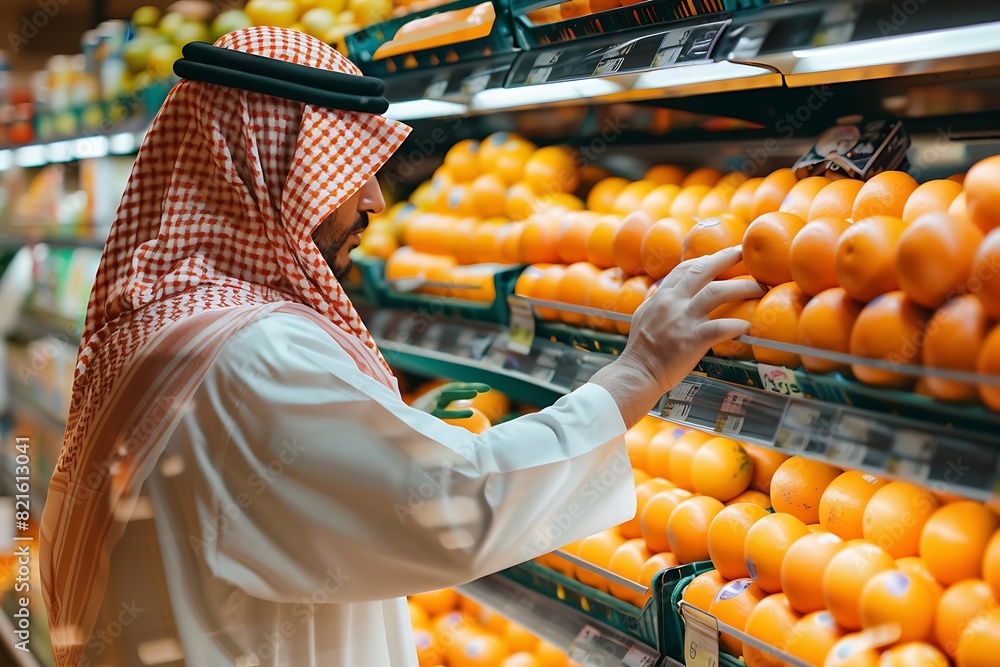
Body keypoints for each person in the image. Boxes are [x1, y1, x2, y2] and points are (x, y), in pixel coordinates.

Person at [39, 26, 764, 667]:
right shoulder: (251, 353)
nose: (375, 201)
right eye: (345, 169)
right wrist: (640, 369)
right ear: (260, 168)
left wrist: (400, 438)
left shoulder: (167, 318)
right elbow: (457, 504)